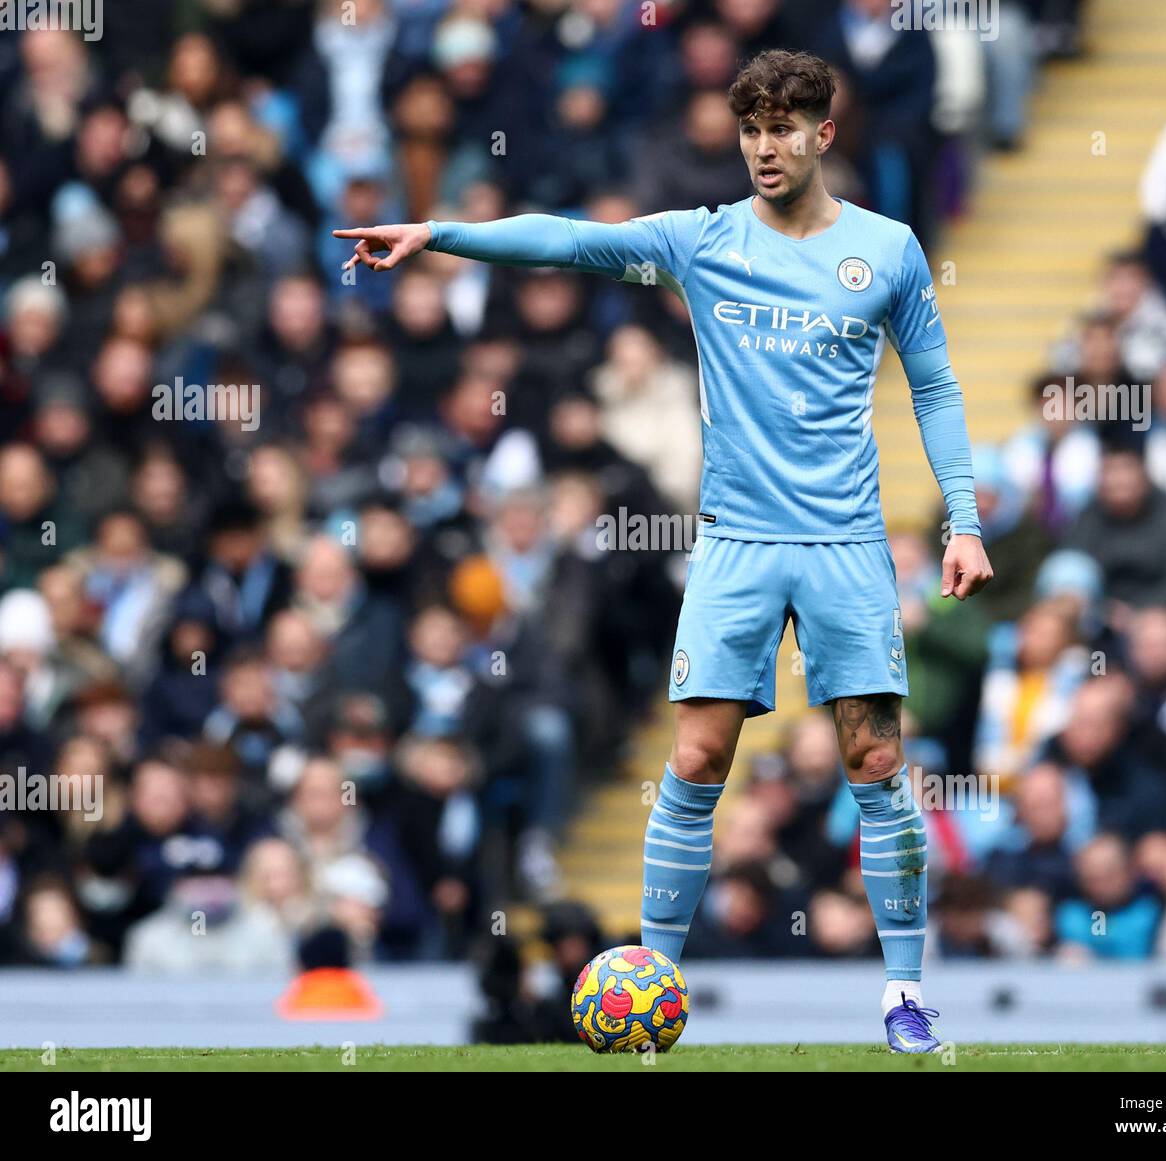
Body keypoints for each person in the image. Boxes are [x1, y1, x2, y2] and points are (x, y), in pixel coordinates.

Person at [332, 49, 993, 1053]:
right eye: (749, 129)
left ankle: (904, 998)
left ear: (823, 133)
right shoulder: (703, 239)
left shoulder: (888, 250)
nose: (764, 147)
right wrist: (438, 233)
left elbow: (936, 389)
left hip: (846, 543)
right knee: (694, 758)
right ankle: (652, 985)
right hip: (732, 545)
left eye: (783, 127)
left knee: (874, 759)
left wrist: (964, 519)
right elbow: (569, 242)